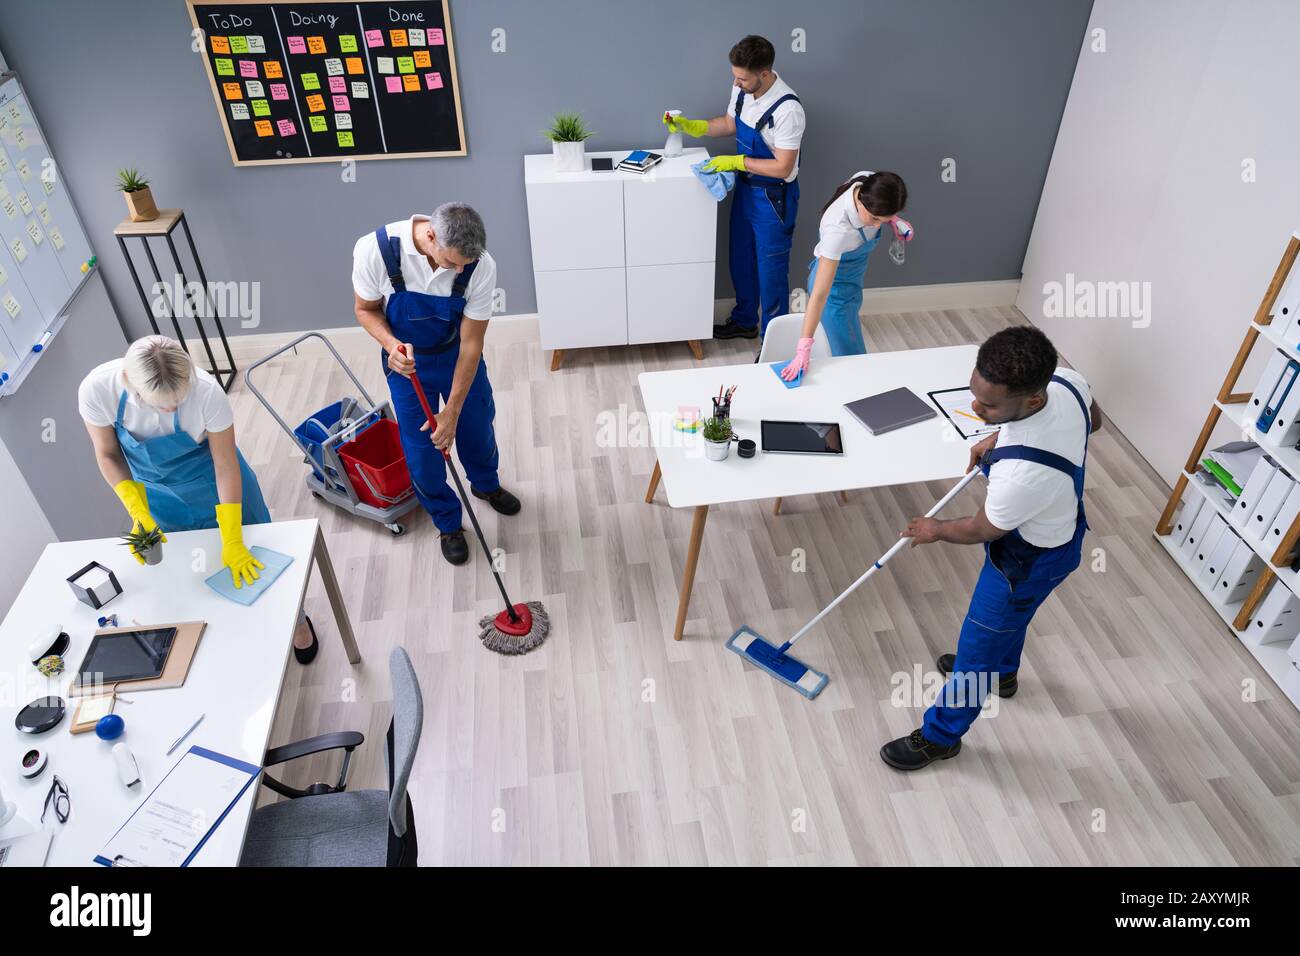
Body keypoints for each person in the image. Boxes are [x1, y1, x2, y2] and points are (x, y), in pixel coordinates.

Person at [879, 327, 1102, 770]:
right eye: (975, 395)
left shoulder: (1020, 476)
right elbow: (1095, 420)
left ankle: (941, 736)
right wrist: (1002, 433)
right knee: (1007, 626)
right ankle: (1004, 675)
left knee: (975, 651)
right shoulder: (1068, 384)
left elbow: (984, 528)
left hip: (1027, 561)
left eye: (990, 406)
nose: (976, 409)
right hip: (1056, 530)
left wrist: (935, 529)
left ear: (1033, 401)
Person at [80, 336, 316, 662]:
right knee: (194, 574)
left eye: (179, 399)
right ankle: (237, 636)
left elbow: (225, 464)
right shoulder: (98, 390)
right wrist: (137, 511)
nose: (172, 409)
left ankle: (297, 619)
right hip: (158, 496)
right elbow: (107, 455)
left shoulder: (207, 393)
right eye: (161, 404)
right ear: (128, 383)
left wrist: (232, 537)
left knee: (259, 561)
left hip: (218, 484)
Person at [352, 203, 520, 566]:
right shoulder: (376, 250)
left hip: (455, 352)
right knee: (422, 446)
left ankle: (485, 483)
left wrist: (453, 410)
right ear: (430, 236)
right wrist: (389, 345)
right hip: (407, 363)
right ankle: (447, 522)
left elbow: (472, 342)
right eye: (453, 262)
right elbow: (365, 309)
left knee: (476, 422)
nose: (460, 269)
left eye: (465, 264)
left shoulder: (480, 265)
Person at [665, 34, 805, 340]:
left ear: (764, 74)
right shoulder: (742, 88)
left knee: (771, 273)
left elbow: (782, 167)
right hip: (745, 191)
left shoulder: (787, 110)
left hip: (773, 198)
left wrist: (737, 161)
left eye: (742, 78)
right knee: (741, 259)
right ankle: (745, 321)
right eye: (734, 76)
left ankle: (775, 343)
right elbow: (729, 124)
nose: (737, 83)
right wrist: (694, 127)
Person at [781, 171, 911, 380]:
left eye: (884, 220)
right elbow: (820, 295)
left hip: (850, 286)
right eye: (876, 218)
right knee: (854, 360)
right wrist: (802, 350)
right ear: (861, 202)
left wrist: (894, 220)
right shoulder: (837, 230)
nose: (878, 225)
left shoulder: (866, 181)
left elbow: (879, 207)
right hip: (834, 295)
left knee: (840, 353)